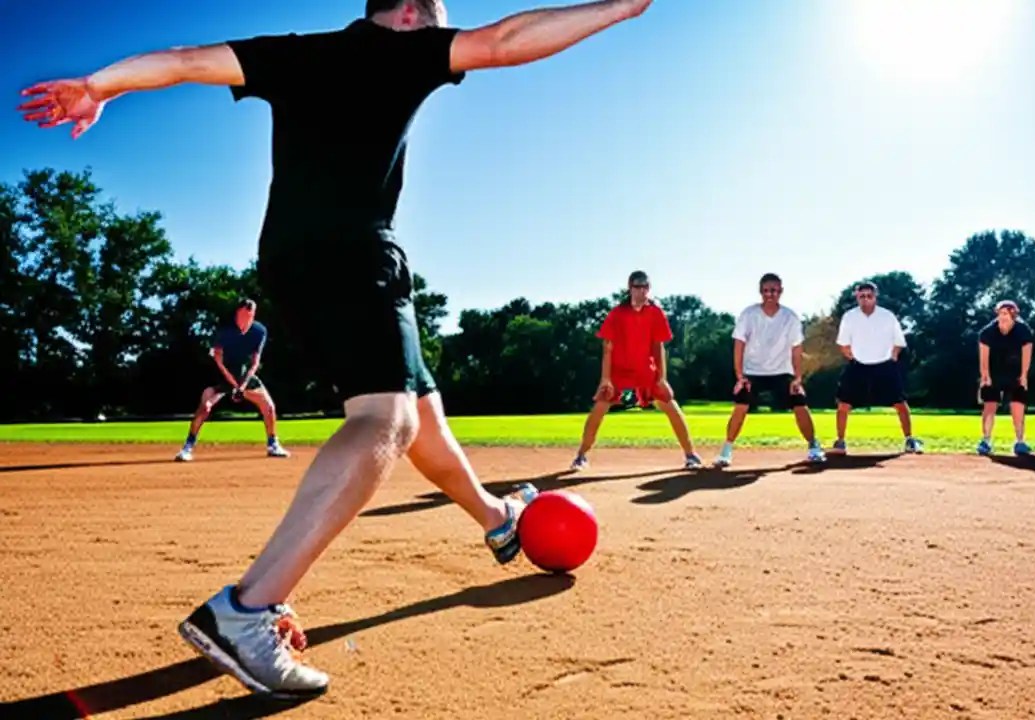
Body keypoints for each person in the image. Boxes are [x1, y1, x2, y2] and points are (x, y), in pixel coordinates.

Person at [20, 0, 655, 698]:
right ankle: (248, 608)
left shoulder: (297, 52)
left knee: (418, 408)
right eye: (440, 18)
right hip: (356, 253)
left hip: (292, 257)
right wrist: (624, 7)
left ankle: (496, 521)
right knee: (387, 420)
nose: (445, 33)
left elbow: (179, 62)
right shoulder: (404, 50)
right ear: (412, 13)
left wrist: (99, 84)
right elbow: (505, 40)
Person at [571, 270, 702, 471]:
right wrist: (605, 379)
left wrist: (662, 378)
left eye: (645, 287)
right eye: (637, 286)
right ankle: (581, 456)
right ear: (629, 288)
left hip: (645, 369)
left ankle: (691, 455)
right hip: (619, 370)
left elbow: (659, 346)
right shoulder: (617, 313)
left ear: (649, 289)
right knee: (599, 410)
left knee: (670, 405)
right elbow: (607, 347)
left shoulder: (655, 312)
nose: (641, 291)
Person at [713, 273, 824, 468]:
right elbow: (739, 344)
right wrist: (739, 376)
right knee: (741, 406)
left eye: (773, 290)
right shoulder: (749, 314)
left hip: (782, 371)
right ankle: (726, 450)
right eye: (765, 290)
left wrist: (798, 378)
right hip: (753, 371)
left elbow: (796, 349)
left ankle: (814, 447)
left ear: (780, 291)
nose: (769, 294)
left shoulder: (790, 317)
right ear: (760, 292)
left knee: (800, 403)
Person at [175, 299, 290, 462]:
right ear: (238, 313)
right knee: (205, 407)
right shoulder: (225, 330)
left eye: (252, 314)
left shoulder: (259, 331)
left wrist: (242, 385)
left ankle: (273, 445)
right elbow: (218, 359)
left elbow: (255, 362)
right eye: (245, 314)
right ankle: (187, 447)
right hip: (222, 373)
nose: (248, 318)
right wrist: (234, 385)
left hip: (244, 374)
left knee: (269, 407)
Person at [830, 281, 924, 454]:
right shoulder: (849, 317)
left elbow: (898, 341)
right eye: (861, 296)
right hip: (858, 366)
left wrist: (892, 357)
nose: (865, 299)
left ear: (875, 297)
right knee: (843, 404)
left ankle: (910, 440)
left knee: (900, 404)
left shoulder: (887, 316)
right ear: (857, 297)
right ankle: (840, 442)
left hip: (884, 366)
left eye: (869, 296)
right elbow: (843, 344)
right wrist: (853, 356)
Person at [976, 300, 1034, 456]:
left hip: (1014, 371)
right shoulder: (987, 332)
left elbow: (1026, 354)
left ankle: (1020, 441)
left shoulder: (1023, 331)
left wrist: (1024, 375)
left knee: (1018, 405)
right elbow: (983, 356)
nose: (1003, 317)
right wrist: (985, 376)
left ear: (1014, 315)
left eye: (1006, 314)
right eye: (1000, 313)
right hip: (994, 371)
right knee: (990, 405)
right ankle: (986, 441)